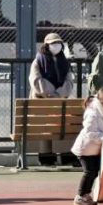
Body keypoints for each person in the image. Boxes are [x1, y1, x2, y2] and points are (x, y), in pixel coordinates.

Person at [29, 32, 75, 166]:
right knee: (47, 128)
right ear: (46, 46)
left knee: (62, 124)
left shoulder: (64, 62)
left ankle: (65, 155)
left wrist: (56, 95)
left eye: (58, 43)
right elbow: (36, 81)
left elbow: (69, 81)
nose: (56, 46)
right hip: (43, 101)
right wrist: (54, 94)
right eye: (53, 43)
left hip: (57, 100)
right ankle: (47, 157)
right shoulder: (38, 60)